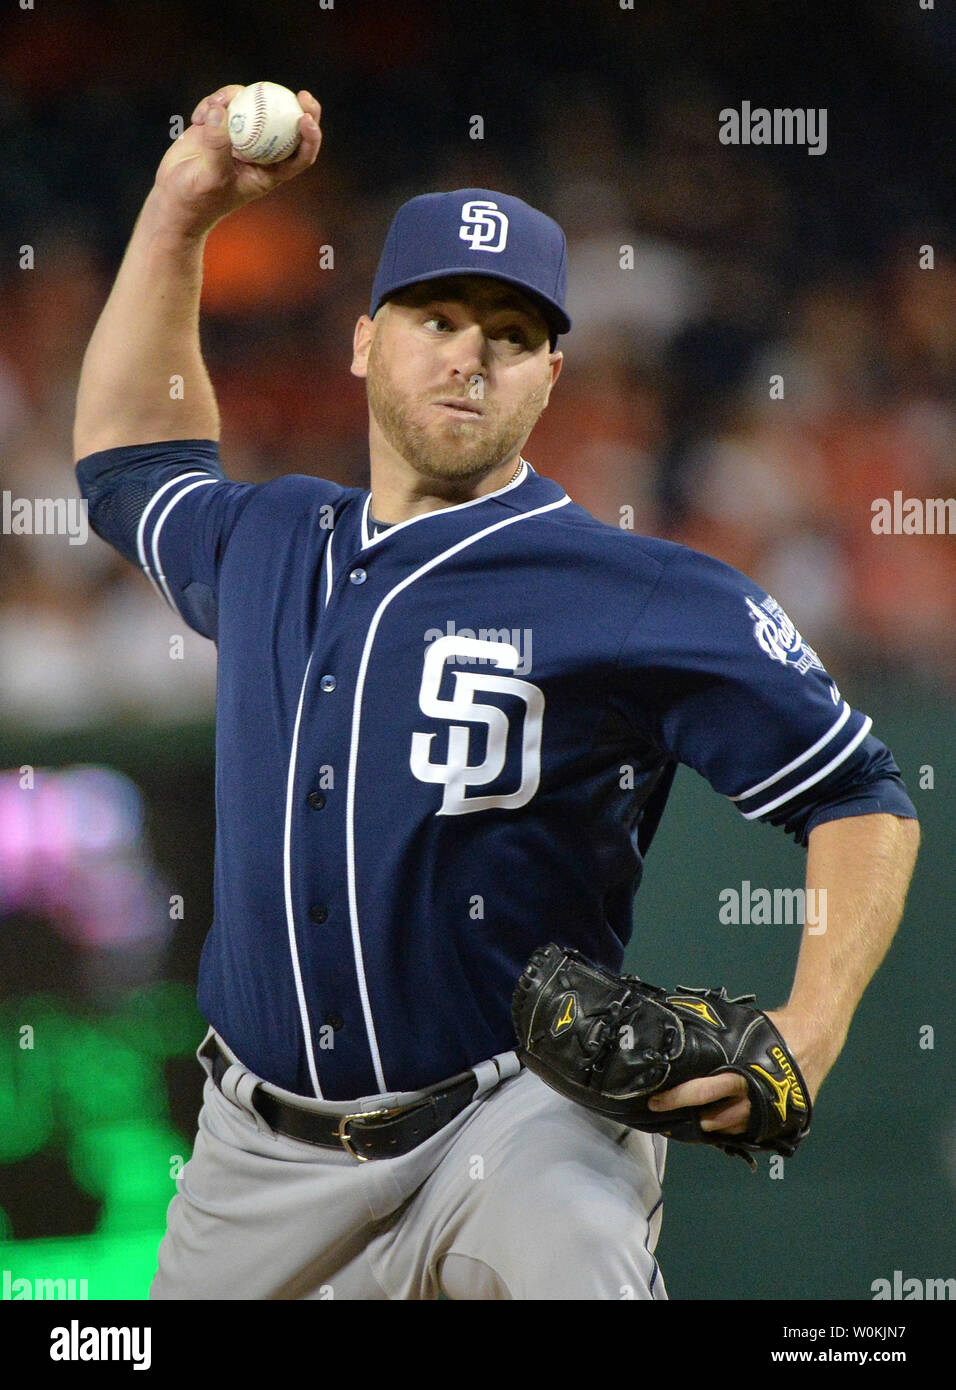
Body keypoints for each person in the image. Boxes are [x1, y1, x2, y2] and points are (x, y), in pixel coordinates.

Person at [73, 86, 920, 1301]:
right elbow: (127, 461)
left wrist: (813, 1024)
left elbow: (859, 793)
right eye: (436, 316)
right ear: (365, 340)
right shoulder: (268, 537)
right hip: (253, 1161)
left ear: (548, 376)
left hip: (514, 1123)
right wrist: (178, 210)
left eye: (510, 333)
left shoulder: (634, 590)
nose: (471, 351)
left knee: (579, 1263)